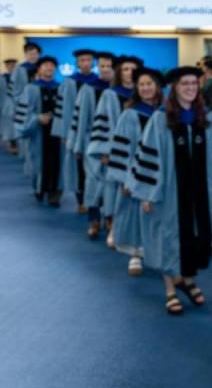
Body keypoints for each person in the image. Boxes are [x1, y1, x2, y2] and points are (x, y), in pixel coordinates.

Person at [130, 66, 212, 316]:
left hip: (201, 192)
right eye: (185, 84)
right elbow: (148, 156)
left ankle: (187, 278)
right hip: (169, 192)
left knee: (196, 235)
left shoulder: (208, 118)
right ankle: (171, 289)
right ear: (174, 88)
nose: (191, 88)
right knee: (170, 237)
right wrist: (148, 194)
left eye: (194, 84)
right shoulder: (160, 119)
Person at [107, 68, 164, 276]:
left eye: (150, 84)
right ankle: (135, 254)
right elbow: (122, 148)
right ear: (137, 89)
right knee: (135, 214)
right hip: (137, 174)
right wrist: (126, 180)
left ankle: (157, 252)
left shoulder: (166, 113)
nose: (146, 88)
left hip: (161, 174)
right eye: (142, 85)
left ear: (157, 87)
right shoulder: (130, 115)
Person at [86, 55, 141, 245]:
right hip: (115, 149)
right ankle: (111, 222)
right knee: (112, 188)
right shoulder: (110, 95)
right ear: (119, 72)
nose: (129, 73)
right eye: (125, 69)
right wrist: (104, 151)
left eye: (133, 69)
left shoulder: (143, 94)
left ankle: (128, 229)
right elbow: (101, 121)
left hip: (137, 150)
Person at [70, 51, 116, 234]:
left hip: (116, 146)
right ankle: (94, 220)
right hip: (93, 144)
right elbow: (80, 119)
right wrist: (78, 144)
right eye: (102, 66)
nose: (105, 70)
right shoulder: (89, 88)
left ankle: (110, 218)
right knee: (93, 181)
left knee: (113, 183)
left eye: (109, 66)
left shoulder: (121, 90)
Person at [60, 49, 103, 211]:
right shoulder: (70, 82)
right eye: (82, 60)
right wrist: (66, 133)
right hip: (76, 131)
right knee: (79, 166)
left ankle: (96, 201)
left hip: (96, 130)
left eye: (88, 60)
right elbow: (64, 110)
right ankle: (81, 200)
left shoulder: (99, 82)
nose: (85, 63)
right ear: (77, 63)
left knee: (94, 168)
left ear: (93, 63)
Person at [19, 56, 64, 206]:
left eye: (52, 65)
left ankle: (55, 192)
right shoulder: (30, 88)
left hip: (57, 133)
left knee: (58, 162)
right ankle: (39, 187)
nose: (49, 68)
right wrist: (37, 118)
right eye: (45, 65)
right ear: (39, 69)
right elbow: (24, 113)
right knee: (39, 161)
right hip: (39, 132)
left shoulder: (61, 87)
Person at [11, 43, 43, 163]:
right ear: (25, 54)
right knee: (26, 129)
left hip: (39, 104)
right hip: (24, 104)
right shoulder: (19, 69)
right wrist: (20, 102)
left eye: (35, 53)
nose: (33, 56)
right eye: (30, 53)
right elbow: (14, 90)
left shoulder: (42, 67)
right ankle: (27, 158)